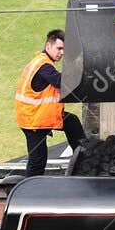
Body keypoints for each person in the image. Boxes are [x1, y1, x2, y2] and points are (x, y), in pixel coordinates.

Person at [14, 29, 85, 177]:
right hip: (33, 120)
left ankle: (83, 156)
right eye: (59, 48)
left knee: (71, 121)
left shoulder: (41, 61)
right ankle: (28, 193)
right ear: (48, 46)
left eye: (64, 49)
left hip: (39, 115)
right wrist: (78, 65)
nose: (62, 53)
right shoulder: (44, 66)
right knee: (38, 161)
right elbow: (61, 82)